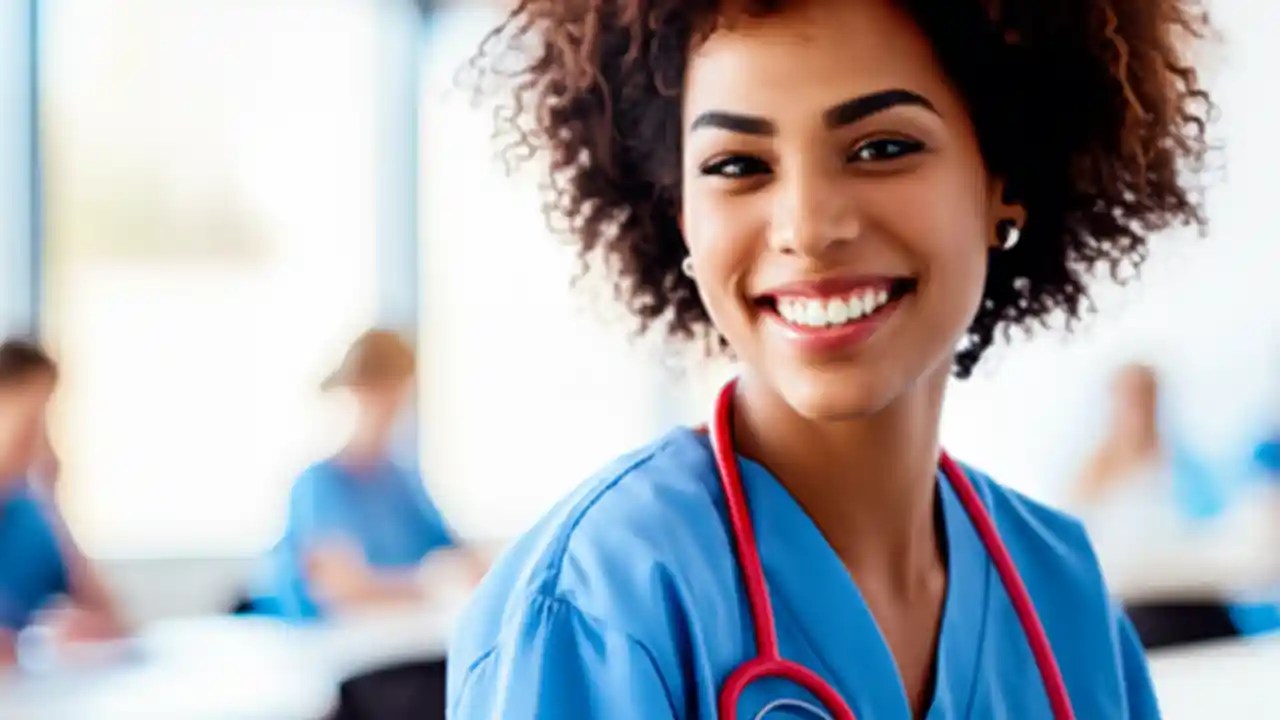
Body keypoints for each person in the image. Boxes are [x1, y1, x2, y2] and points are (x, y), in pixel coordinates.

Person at [448, 0, 1213, 716]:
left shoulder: (1064, 597)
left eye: (882, 148)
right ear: (681, 215)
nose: (808, 229)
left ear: (1003, 181)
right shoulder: (595, 606)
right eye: (736, 165)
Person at [253, 329, 478, 621]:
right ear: (354, 391)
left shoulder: (402, 484)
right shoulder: (317, 486)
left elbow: (466, 562)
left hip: (397, 633)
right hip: (329, 641)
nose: (390, 406)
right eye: (379, 391)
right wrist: (433, 583)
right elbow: (342, 588)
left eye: (397, 391)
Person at [1073, 364, 1280, 648]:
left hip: (1197, 605)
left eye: (1144, 399)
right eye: (1128, 401)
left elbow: (1225, 542)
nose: (1136, 412)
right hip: (1138, 611)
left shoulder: (1190, 469)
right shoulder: (1090, 479)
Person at [0, 339, 126, 667]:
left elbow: (115, 622)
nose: (41, 438)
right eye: (30, 420)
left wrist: (52, 499)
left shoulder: (31, 516)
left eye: (45, 418)